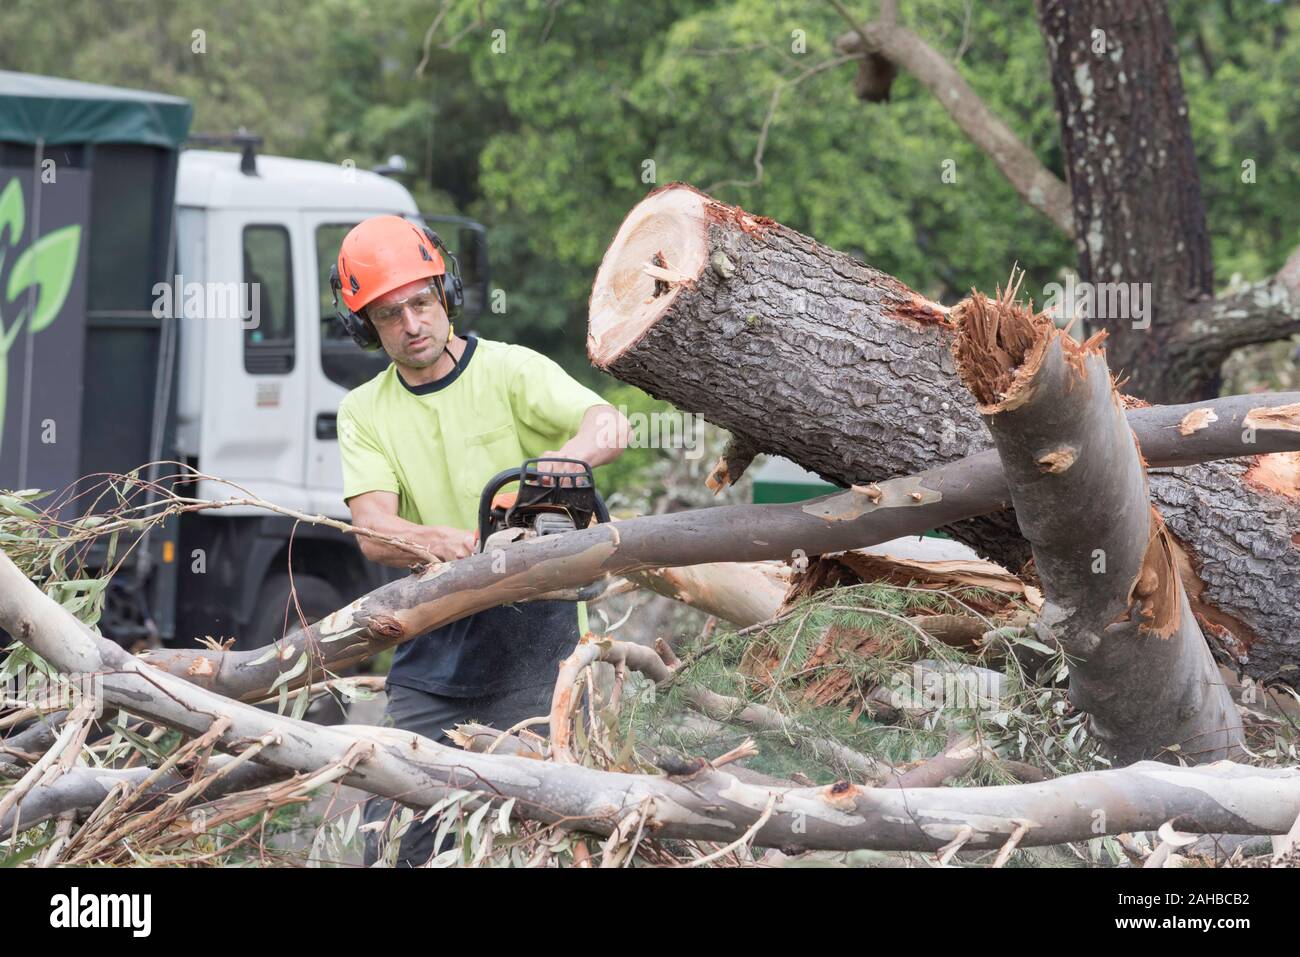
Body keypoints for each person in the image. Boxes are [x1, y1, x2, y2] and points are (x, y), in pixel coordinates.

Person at [330, 215, 628, 865]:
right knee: (394, 838)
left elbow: (609, 423)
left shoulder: (510, 371)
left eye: (420, 302)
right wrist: (447, 540)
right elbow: (374, 530)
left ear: (446, 294)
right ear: (365, 328)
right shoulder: (364, 410)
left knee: (558, 832)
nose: (411, 324)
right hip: (432, 653)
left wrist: (567, 462)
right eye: (388, 315)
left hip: (539, 649)